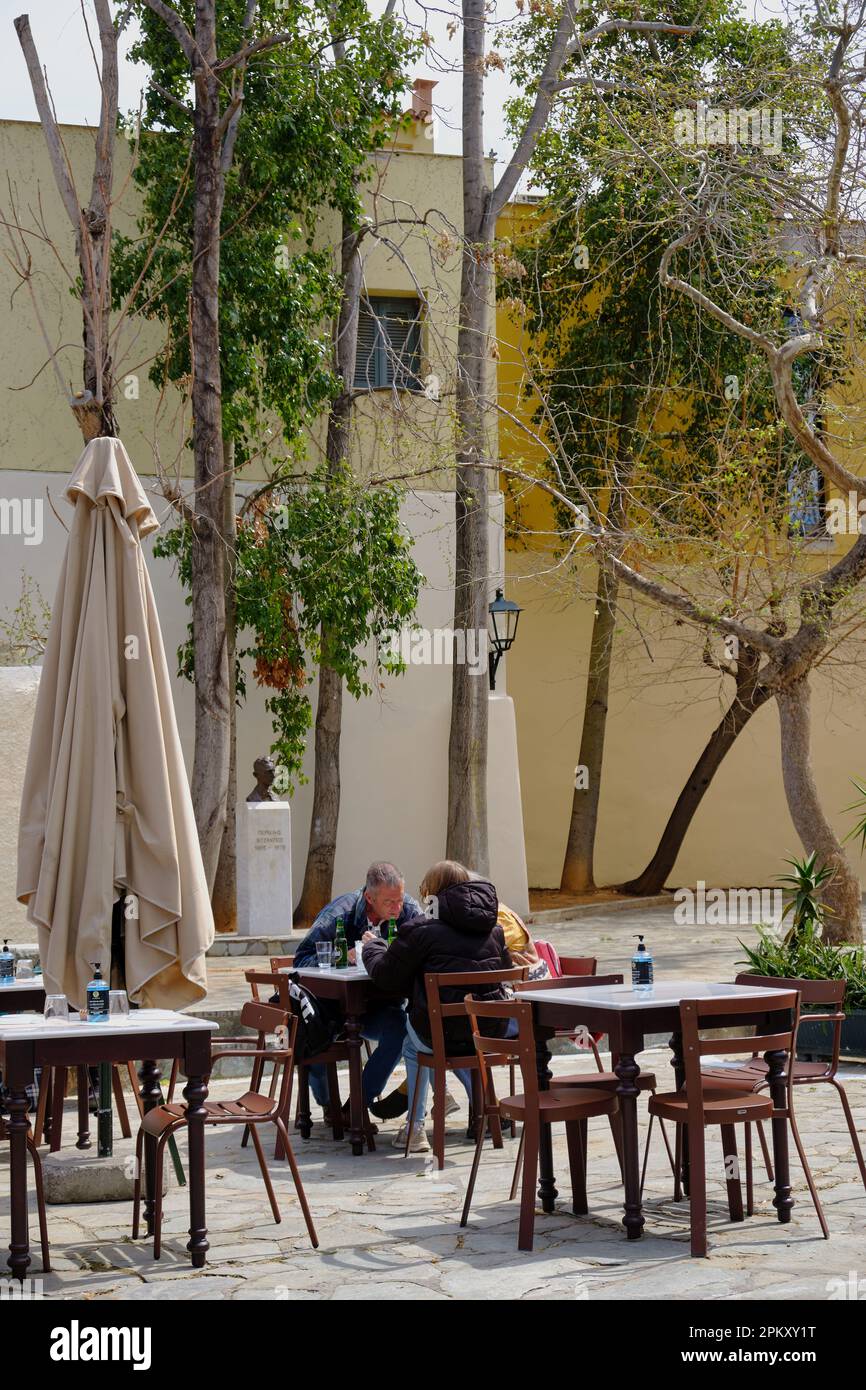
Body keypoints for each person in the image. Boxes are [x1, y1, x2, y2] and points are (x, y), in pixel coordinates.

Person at [361, 860, 512, 1153]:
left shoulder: (421, 930)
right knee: (420, 1032)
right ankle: (480, 1112)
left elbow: (386, 976)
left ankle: (415, 1129)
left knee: (412, 1041)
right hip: (488, 1032)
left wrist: (373, 947)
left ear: (432, 894)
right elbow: (502, 973)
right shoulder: (494, 930)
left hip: (442, 1034)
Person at [293, 862, 421, 1121]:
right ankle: (329, 1106)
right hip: (334, 1006)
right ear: (369, 898)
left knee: (399, 1028)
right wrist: (340, 957)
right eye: (389, 902)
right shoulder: (340, 913)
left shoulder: (409, 910)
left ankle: (355, 1107)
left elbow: (427, 952)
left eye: (399, 899)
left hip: (381, 1005)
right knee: (314, 1038)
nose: (398, 908)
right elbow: (301, 960)